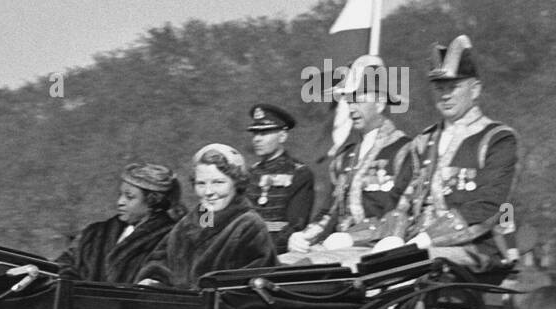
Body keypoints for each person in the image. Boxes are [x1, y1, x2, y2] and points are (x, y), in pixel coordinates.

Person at [387, 36, 517, 272]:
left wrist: (428, 238)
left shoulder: (497, 138)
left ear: (475, 89)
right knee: (346, 266)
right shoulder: (423, 140)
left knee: (398, 267)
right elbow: (400, 199)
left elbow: (489, 206)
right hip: (414, 246)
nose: (445, 95)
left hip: (474, 249)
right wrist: (393, 236)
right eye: (439, 88)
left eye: (453, 87)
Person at [287, 56, 411, 255]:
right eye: (349, 100)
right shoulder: (344, 158)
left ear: (379, 103)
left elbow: (402, 212)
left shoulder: (404, 151)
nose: (352, 108)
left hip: (378, 250)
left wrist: (352, 238)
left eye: (359, 100)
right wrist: (305, 236)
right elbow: (330, 211)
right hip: (337, 248)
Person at [139, 145, 276, 289]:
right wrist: (153, 281)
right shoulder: (188, 223)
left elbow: (252, 288)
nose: (208, 192)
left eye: (218, 182)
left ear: (237, 183)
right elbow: (158, 263)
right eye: (201, 184)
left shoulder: (250, 226)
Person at [56, 163, 184, 286]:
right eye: (120, 195)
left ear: (153, 201)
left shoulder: (172, 238)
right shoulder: (94, 234)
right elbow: (63, 265)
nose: (120, 202)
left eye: (129, 197)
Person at [245, 103, 315, 242]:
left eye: (264, 133)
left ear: (282, 136)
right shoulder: (250, 173)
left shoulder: (299, 174)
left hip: (279, 250)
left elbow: (297, 225)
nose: (257, 139)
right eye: (255, 133)